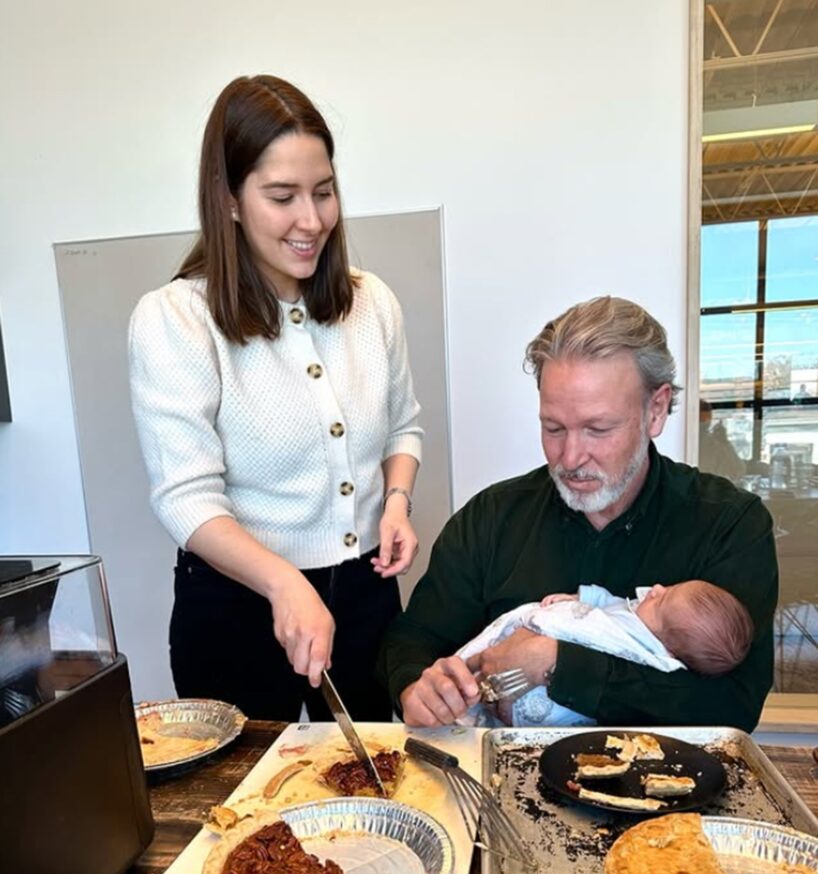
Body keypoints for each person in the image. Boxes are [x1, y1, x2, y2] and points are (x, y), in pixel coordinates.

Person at [129, 75, 422, 722]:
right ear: (228, 199)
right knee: (251, 809)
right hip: (236, 605)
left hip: (366, 595)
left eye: (324, 192)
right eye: (282, 197)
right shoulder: (175, 321)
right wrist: (283, 581)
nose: (311, 220)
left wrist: (395, 502)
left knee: (373, 786)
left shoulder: (372, 303)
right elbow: (185, 498)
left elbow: (404, 427)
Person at [379, 296, 778, 733]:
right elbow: (412, 640)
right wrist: (416, 688)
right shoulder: (492, 519)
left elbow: (732, 706)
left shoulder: (728, 525)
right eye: (553, 428)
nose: (570, 457)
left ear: (656, 410)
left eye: (598, 429)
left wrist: (557, 664)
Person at [456, 580, 754, 727]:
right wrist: (577, 599)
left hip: (548, 691)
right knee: (477, 667)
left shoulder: (651, 657)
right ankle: (463, 677)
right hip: (520, 656)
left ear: (669, 650)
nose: (657, 589)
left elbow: (595, 633)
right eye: (670, 588)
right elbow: (609, 603)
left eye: (662, 602)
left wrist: (552, 643)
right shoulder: (640, 614)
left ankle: (474, 695)